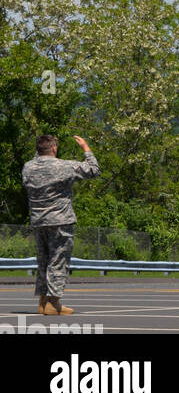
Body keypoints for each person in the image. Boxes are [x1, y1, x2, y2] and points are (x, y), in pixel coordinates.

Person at [22, 134, 100, 316]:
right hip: (60, 221)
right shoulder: (64, 166)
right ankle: (53, 302)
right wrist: (86, 148)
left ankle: (42, 301)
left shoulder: (28, 167)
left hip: (38, 221)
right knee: (58, 261)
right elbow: (94, 170)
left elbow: (38, 159)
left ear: (39, 150)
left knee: (44, 262)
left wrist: (42, 149)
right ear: (54, 149)